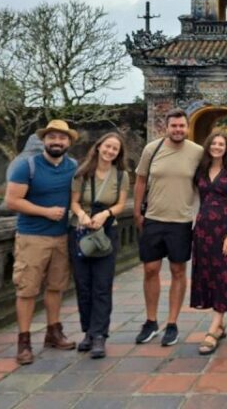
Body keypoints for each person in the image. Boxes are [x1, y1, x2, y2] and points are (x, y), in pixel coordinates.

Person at [5, 119, 78, 365]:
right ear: (44, 140)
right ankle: (24, 341)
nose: (57, 142)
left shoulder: (73, 167)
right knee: (27, 289)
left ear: (69, 142)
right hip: (32, 236)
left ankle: (53, 331)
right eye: (52, 137)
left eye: (62, 138)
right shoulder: (27, 166)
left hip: (61, 236)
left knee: (57, 287)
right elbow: (13, 201)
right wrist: (45, 212)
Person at [133, 108, 203, 346]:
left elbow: (207, 180)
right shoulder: (151, 150)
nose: (178, 130)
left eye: (182, 126)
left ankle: (172, 323)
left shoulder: (197, 152)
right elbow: (140, 180)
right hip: (153, 217)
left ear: (187, 127)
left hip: (181, 221)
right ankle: (151, 320)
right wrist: (136, 212)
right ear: (166, 127)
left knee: (178, 271)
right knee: (150, 270)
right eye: (174, 126)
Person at [69, 132, 129, 359]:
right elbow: (73, 202)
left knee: (102, 285)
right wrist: (82, 216)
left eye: (115, 149)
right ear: (98, 147)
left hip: (106, 232)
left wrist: (105, 213)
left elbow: (122, 203)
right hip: (81, 231)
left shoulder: (121, 175)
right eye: (107, 146)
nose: (110, 151)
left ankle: (100, 335)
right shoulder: (82, 173)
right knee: (83, 285)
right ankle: (88, 331)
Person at [190, 129, 227, 355]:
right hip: (203, 231)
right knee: (209, 275)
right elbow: (194, 198)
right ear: (208, 146)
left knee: (225, 275)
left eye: (221, 144)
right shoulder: (200, 171)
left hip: (224, 229)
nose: (217, 147)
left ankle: (213, 327)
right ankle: (219, 325)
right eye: (214, 144)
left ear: (226, 148)